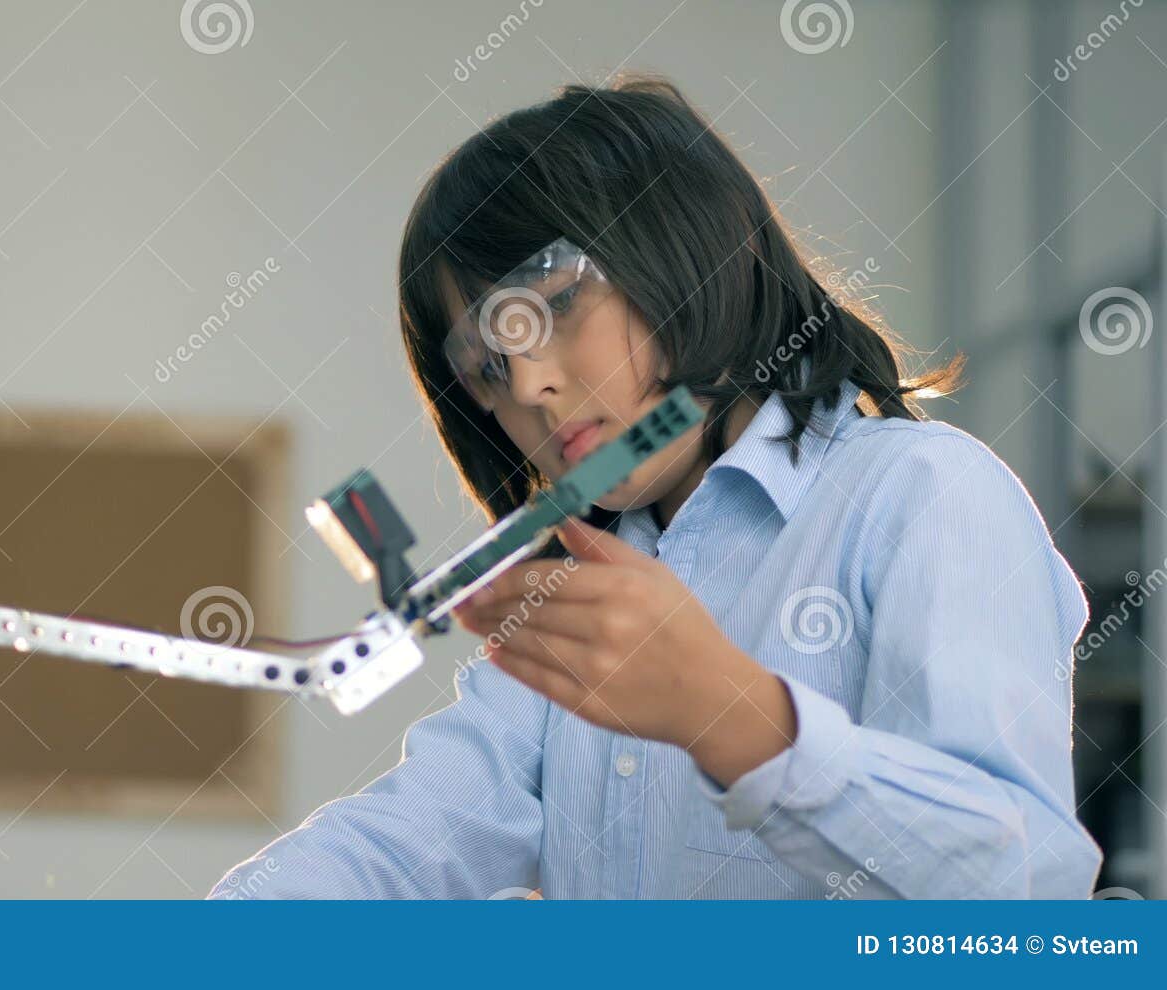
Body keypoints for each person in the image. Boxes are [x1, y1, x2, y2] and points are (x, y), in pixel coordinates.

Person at [209, 75, 1101, 899]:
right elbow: (413, 837)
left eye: (545, 308)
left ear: (684, 248)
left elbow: (1022, 894)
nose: (525, 388)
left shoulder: (925, 498)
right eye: (484, 367)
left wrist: (733, 717)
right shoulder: (585, 585)